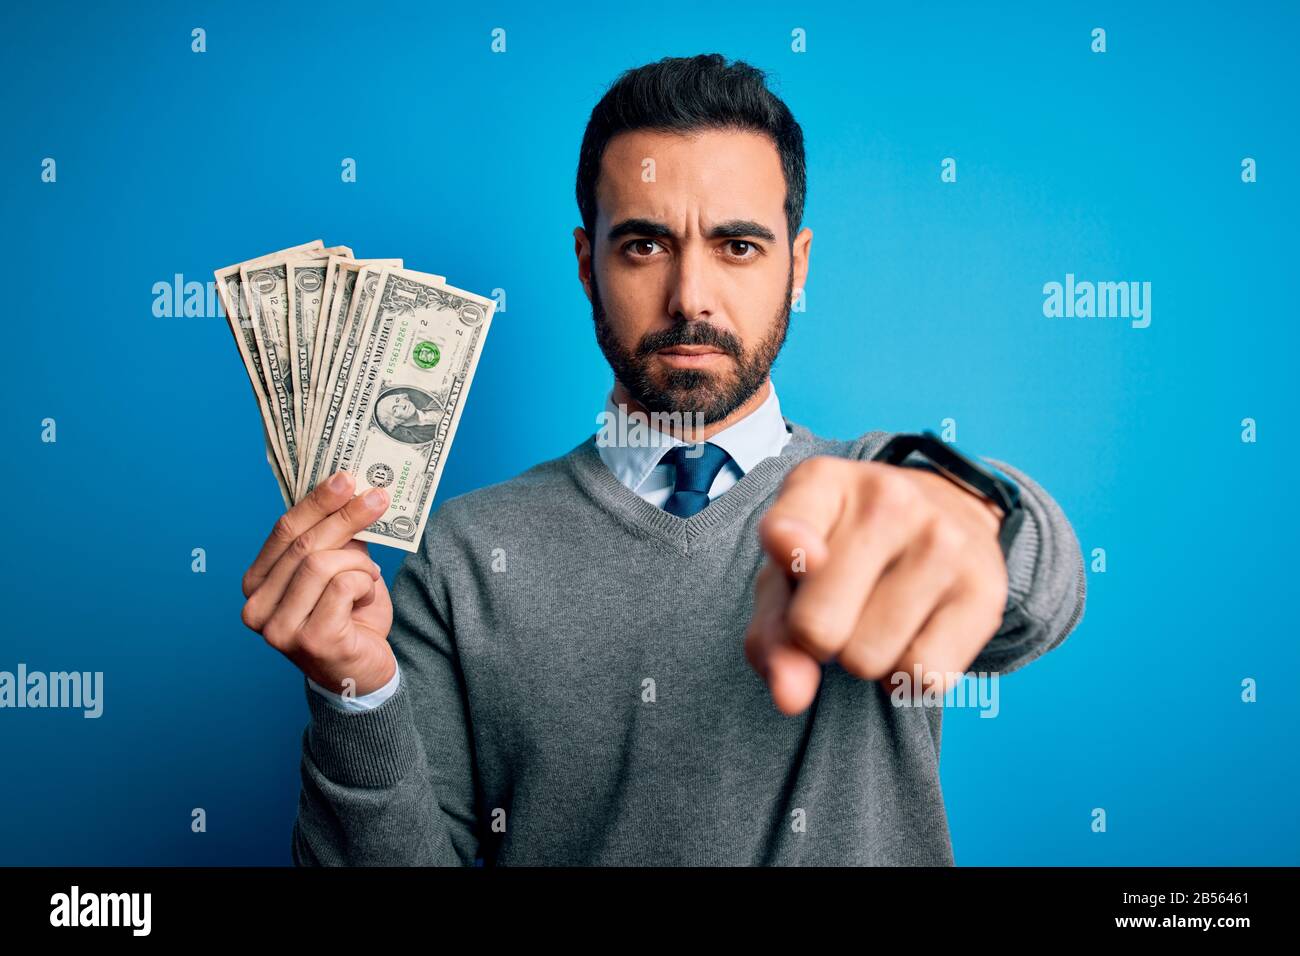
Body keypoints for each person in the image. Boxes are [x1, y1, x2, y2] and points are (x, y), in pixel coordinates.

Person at [239, 54, 1086, 865]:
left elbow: (1037, 593)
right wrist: (355, 692)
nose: (691, 298)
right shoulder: (463, 558)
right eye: (644, 245)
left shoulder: (872, 490)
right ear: (586, 265)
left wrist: (979, 520)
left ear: (798, 267)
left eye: (738, 247)